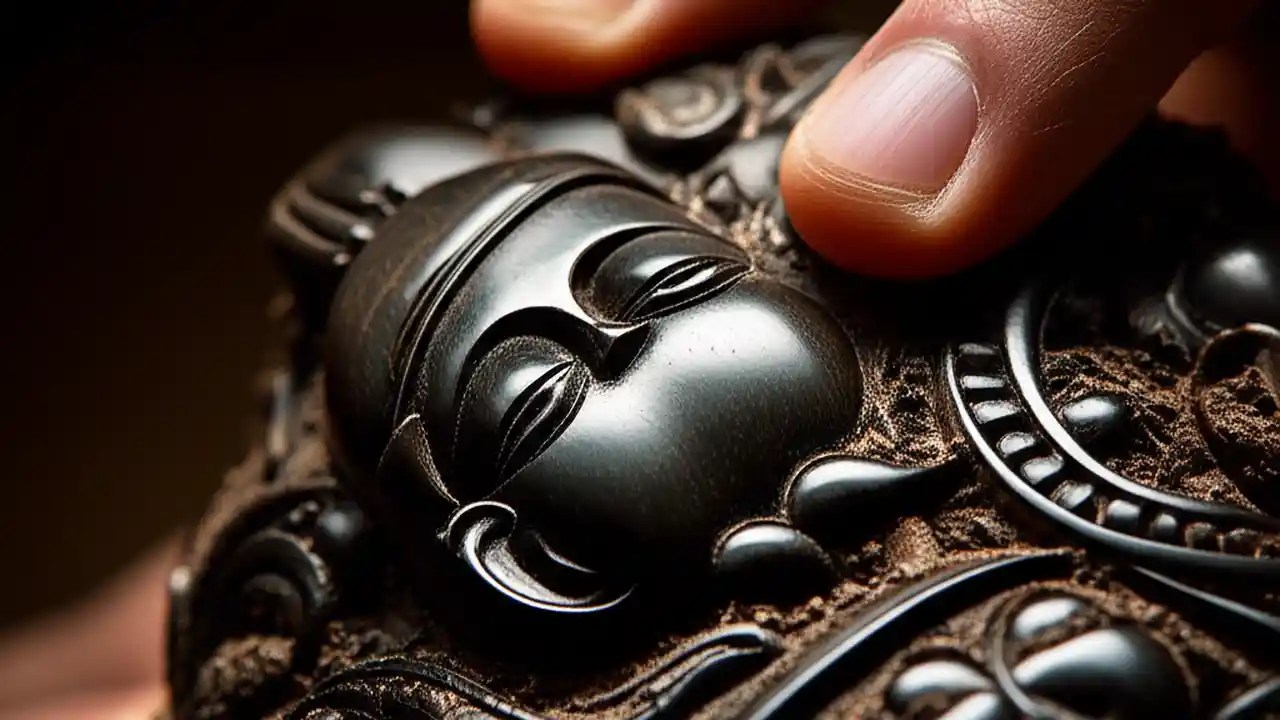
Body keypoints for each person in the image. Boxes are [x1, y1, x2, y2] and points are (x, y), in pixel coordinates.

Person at [1, 1, 1273, 716]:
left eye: (663, 280)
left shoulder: (1154, 327)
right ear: (505, 551)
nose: (624, 334)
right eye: (541, 392)